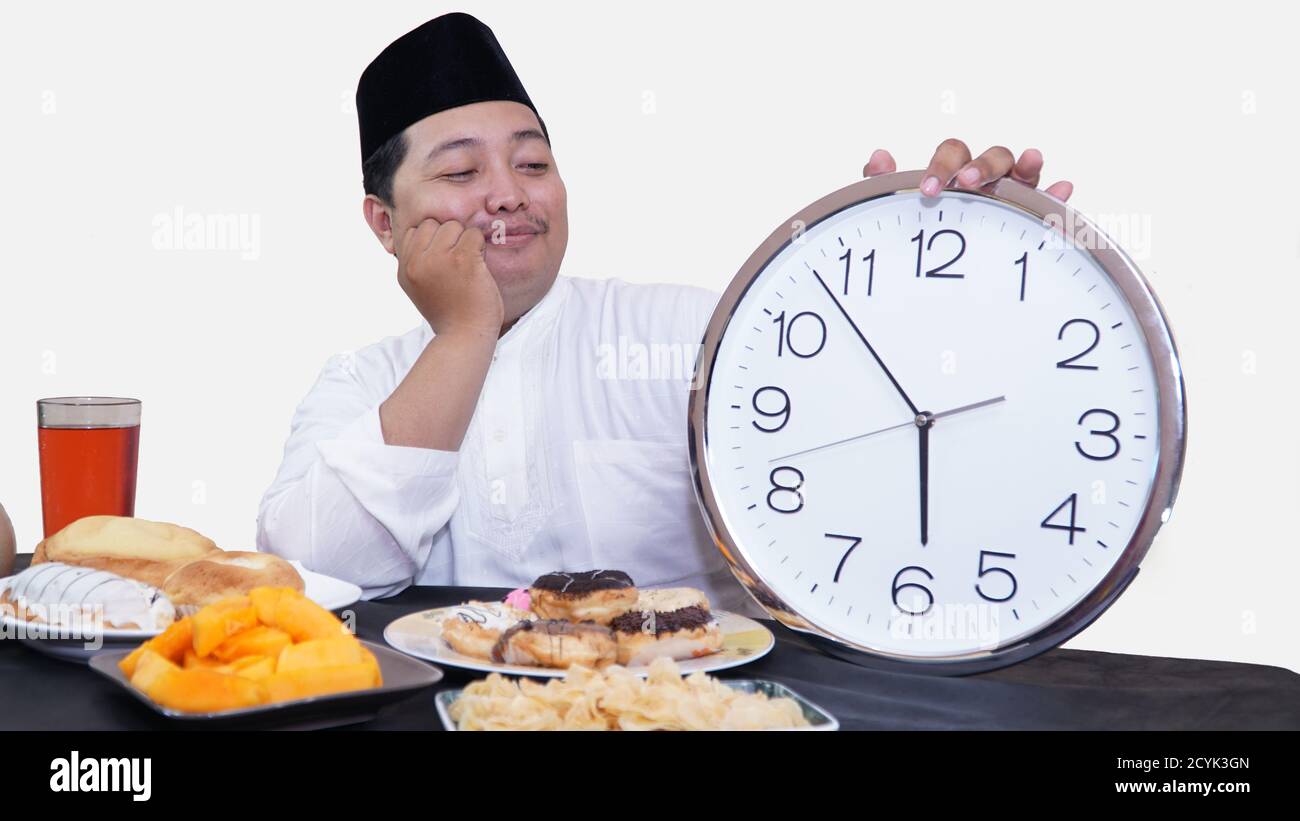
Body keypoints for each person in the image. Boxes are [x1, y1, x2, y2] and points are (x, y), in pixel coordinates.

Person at [255, 12, 1074, 616]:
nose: (510, 192)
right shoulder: (357, 386)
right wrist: (467, 331)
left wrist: (958, 266)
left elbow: (896, 422)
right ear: (384, 224)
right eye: (462, 171)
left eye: (533, 161)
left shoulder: (693, 336)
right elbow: (314, 574)